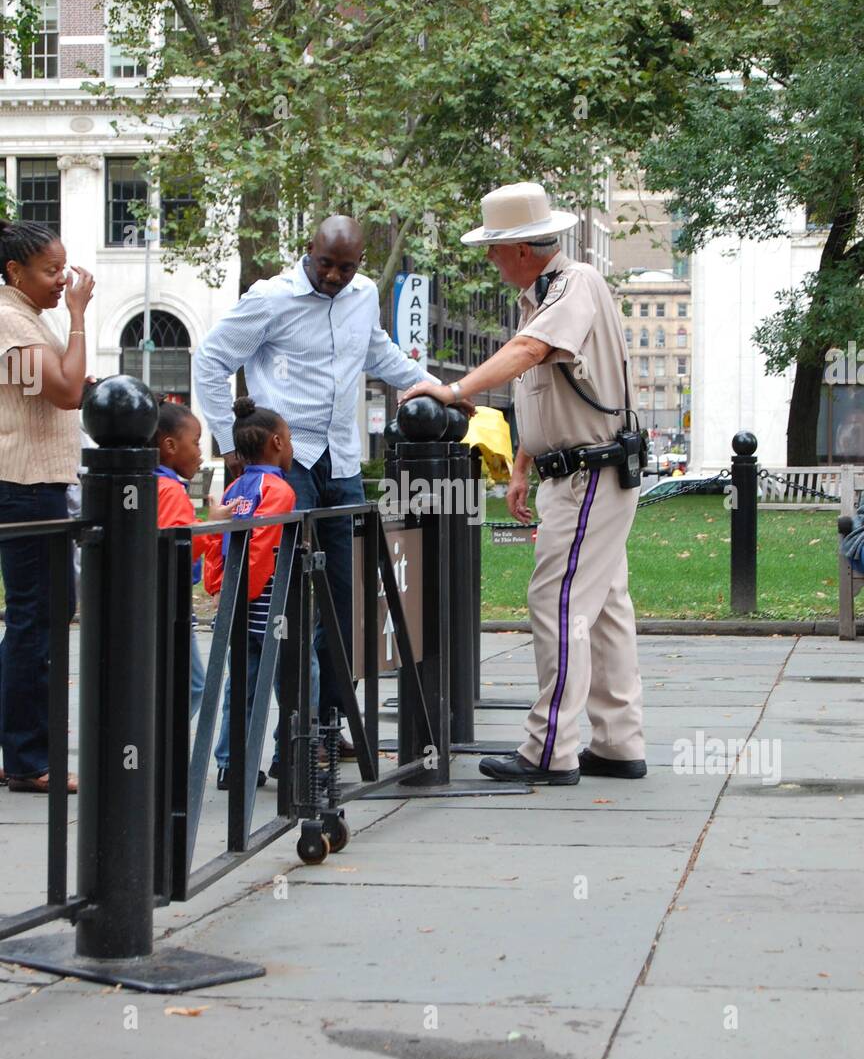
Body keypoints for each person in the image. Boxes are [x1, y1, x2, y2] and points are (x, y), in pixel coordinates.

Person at [401, 182, 646, 785]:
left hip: (591, 472)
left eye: (494, 247)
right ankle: (618, 742)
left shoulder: (574, 283)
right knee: (605, 607)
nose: (489, 258)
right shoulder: (541, 296)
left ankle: (548, 750)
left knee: (557, 602)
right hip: (582, 469)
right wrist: (521, 464)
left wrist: (454, 390)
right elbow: (547, 389)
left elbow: (532, 352)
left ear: (520, 248)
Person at [193, 216, 436, 751]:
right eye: (326, 263)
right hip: (286, 467)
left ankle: (325, 725)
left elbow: (379, 353)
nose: (333, 276)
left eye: (346, 267)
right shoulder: (269, 298)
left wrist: (438, 389)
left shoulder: (363, 294)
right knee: (280, 607)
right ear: (309, 251)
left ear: (359, 265)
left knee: (345, 603)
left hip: (342, 465)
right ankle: (286, 742)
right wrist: (229, 445)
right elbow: (210, 359)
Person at [0, 219, 93, 794]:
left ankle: (19, 747)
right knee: (36, 621)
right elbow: (64, 391)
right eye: (51, 270)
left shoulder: (26, 319)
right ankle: (30, 760)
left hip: (37, 484)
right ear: (15, 273)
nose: (64, 279)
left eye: (64, 268)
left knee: (39, 617)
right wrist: (80, 318)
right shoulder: (11, 321)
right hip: (26, 485)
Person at [203, 397, 297, 788]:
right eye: (290, 438)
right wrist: (251, 592)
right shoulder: (279, 490)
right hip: (268, 605)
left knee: (238, 685)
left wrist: (224, 590)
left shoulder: (235, 488)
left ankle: (232, 763)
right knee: (296, 680)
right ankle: (289, 756)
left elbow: (219, 538)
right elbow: (262, 545)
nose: (292, 446)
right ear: (276, 442)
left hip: (237, 604)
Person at [152, 399, 231, 718]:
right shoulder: (170, 490)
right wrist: (213, 524)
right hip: (168, 599)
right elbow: (178, 542)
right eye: (196, 443)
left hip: (158, 597)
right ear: (170, 445)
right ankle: (162, 754)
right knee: (192, 684)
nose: (200, 452)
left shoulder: (153, 482)